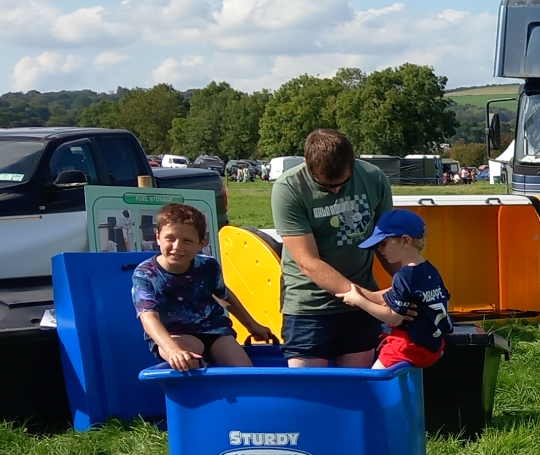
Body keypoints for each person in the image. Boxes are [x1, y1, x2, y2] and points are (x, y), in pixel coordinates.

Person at [270, 128, 396, 367]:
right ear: (308, 166)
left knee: (354, 394)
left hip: (360, 310)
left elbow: (387, 243)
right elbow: (308, 263)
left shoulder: (373, 178)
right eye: (326, 186)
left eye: (344, 182)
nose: (336, 191)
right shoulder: (288, 188)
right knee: (310, 396)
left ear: (353, 163)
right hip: (309, 307)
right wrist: (366, 296)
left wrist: (410, 282)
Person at [131, 203, 273, 371]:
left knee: (245, 374)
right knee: (185, 360)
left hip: (214, 332)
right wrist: (173, 350)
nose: (177, 247)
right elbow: (149, 318)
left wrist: (252, 325)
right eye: (170, 238)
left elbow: (225, 296)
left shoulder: (208, 265)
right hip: (175, 337)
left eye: (187, 241)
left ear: (201, 243)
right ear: (158, 237)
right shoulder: (146, 274)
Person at [335, 209, 452, 369]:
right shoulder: (429, 270)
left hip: (407, 347)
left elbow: (393, 318)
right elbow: (442, 300)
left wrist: (359, 301)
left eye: (383, 243)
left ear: (405, 241)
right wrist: (360, 292)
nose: (379, 250)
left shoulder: (403, 276)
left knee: (373, 383)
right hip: (432, 346)